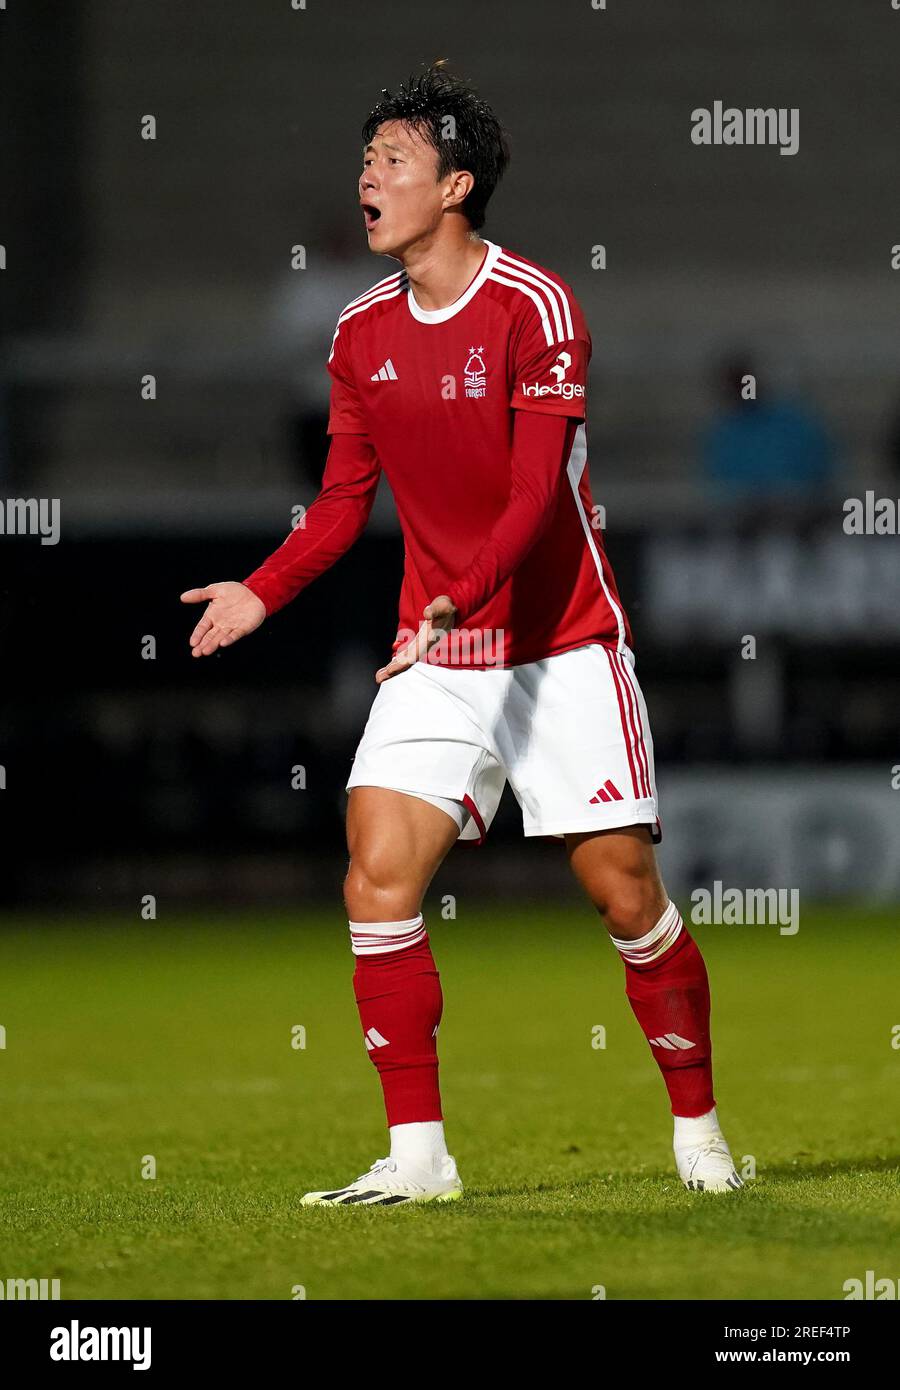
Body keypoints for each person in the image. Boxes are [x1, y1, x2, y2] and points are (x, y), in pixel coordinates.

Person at [181, 62, 742, 1205]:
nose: (367, 177)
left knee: (626, 896)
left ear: (457, 185)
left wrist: (459, 596)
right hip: (439, 656)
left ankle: (698, 1130)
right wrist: (262, 588)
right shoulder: (356, 333)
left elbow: (536, 499)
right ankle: (419, 1159)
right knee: (376, 878)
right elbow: (341, 507)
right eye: (367, 159)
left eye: (392, 160)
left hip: (561, 644)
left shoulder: (533, 306)